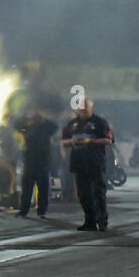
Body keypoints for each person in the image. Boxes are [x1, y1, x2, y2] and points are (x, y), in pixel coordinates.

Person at [60, 99, 113, 232]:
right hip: (78, 163)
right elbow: (63, 141)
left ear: (91, 108)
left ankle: (102, 222)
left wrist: (91, 141)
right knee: (83, 194)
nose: (83, 111)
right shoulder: (73, 124)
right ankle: (89, 221)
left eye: (86, 108)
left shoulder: (100, 123)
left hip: (95, 162)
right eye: (81, 109)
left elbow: (109, 140)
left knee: (98, 193)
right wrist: (72, 141)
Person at [14, 107, 57, 218]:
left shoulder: (46, 127)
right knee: (27, 187)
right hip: (29, 160)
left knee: (43, 187)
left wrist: (43, 119)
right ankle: (23, 210)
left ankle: (42, 211)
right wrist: (27, 118)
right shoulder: (27, 126)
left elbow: (55, 127)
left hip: (43, 160)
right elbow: (16, 125)